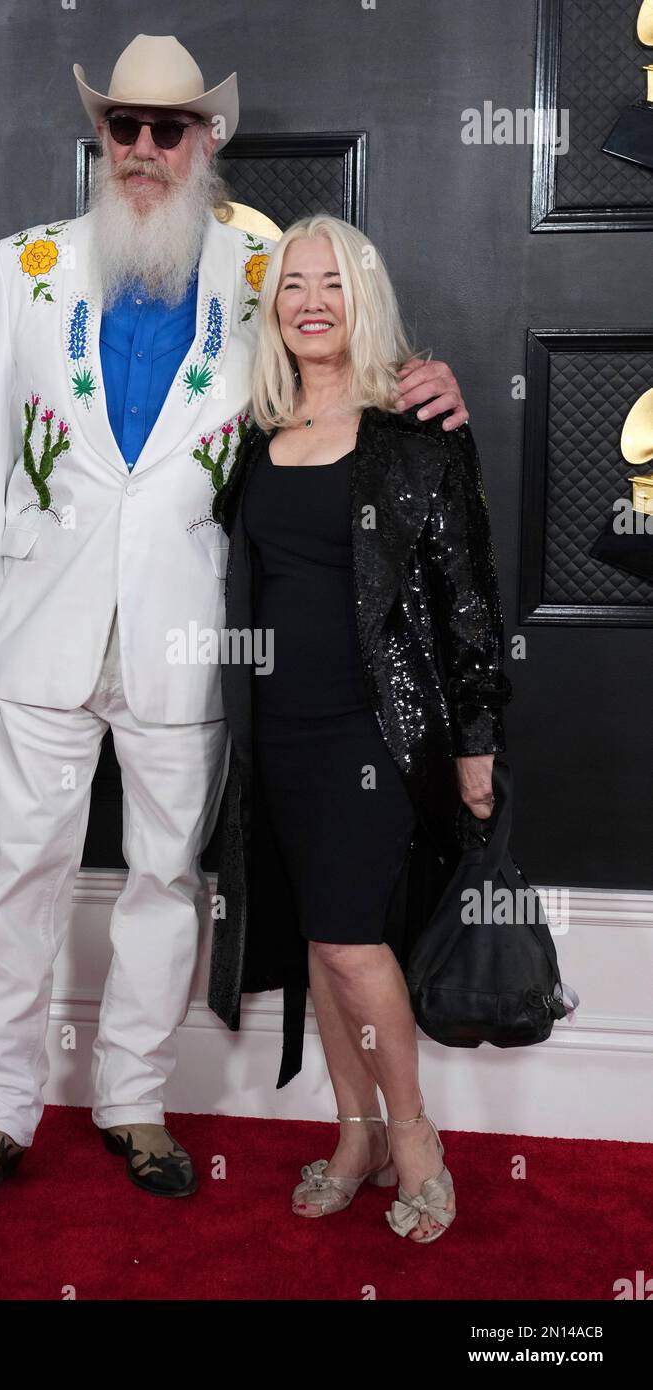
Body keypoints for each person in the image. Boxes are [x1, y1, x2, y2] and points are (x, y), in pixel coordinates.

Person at [0, 36, 471, 1196]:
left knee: (164, 876)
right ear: (102, 136)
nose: (139, 149)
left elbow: (343, 360)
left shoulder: (266, 259)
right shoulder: (21, 261)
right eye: (121, 127)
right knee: (15, 870)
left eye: (164, 129)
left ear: (203, 140)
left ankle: (132, 1101)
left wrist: (432, 390)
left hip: (195, 634)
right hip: (38, 618)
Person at [208, 214, 512, 1241]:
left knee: (347, 941)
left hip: (374, 732)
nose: (308, 303)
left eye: (330, 284)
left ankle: (414, 1135)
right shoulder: (256, 431)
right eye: (291, 285)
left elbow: (469, 599)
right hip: (274, 731)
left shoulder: (413, 429)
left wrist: (476, 742)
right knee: (317, 937)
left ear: (360, 298)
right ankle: (354, 1133)